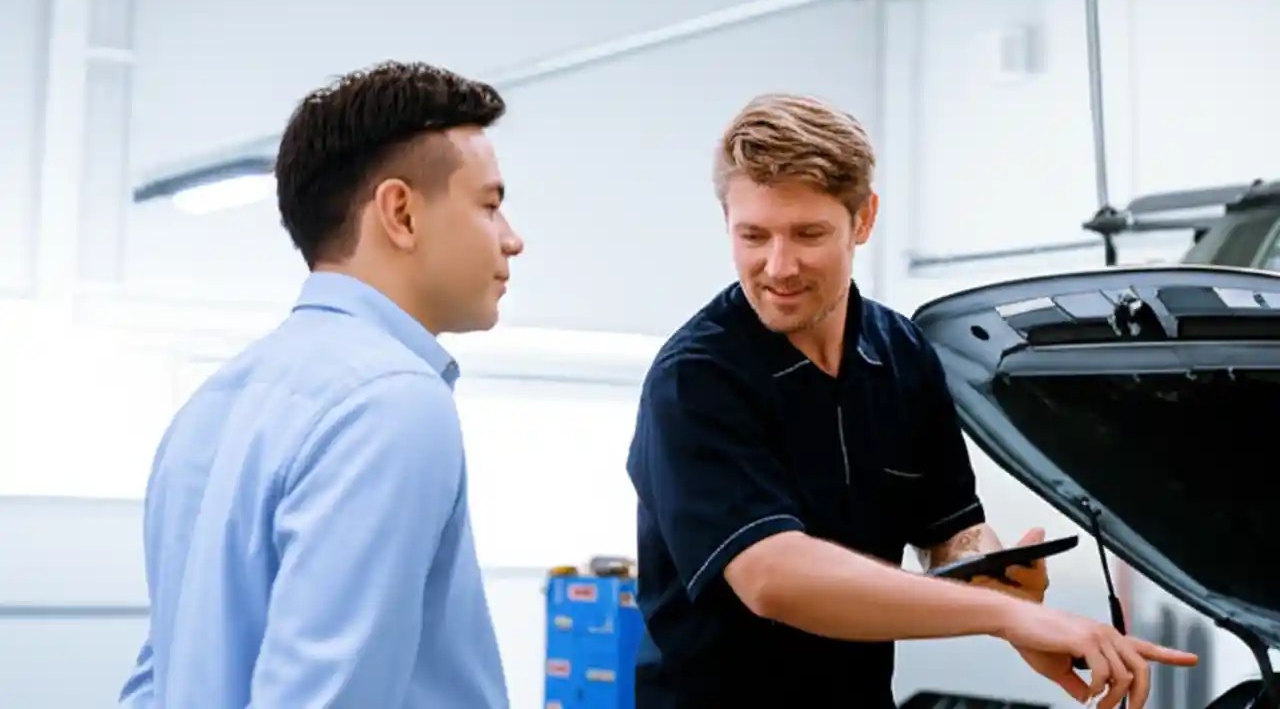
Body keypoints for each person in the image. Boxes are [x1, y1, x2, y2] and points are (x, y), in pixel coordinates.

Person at [624, 93, 1196, 709]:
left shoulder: (902, 355)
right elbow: (772, 576)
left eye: (808, 234)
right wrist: (997, 617)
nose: (778, 266)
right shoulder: (697, 378)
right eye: (753, 236)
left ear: (863, 220)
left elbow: (948, 530)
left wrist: (993, 573)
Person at [118, 61, 523, 708]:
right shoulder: (393, 402)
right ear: (401, 213)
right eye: (491, 205)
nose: (512, 240)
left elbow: (155, 682)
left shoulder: (211, 404)